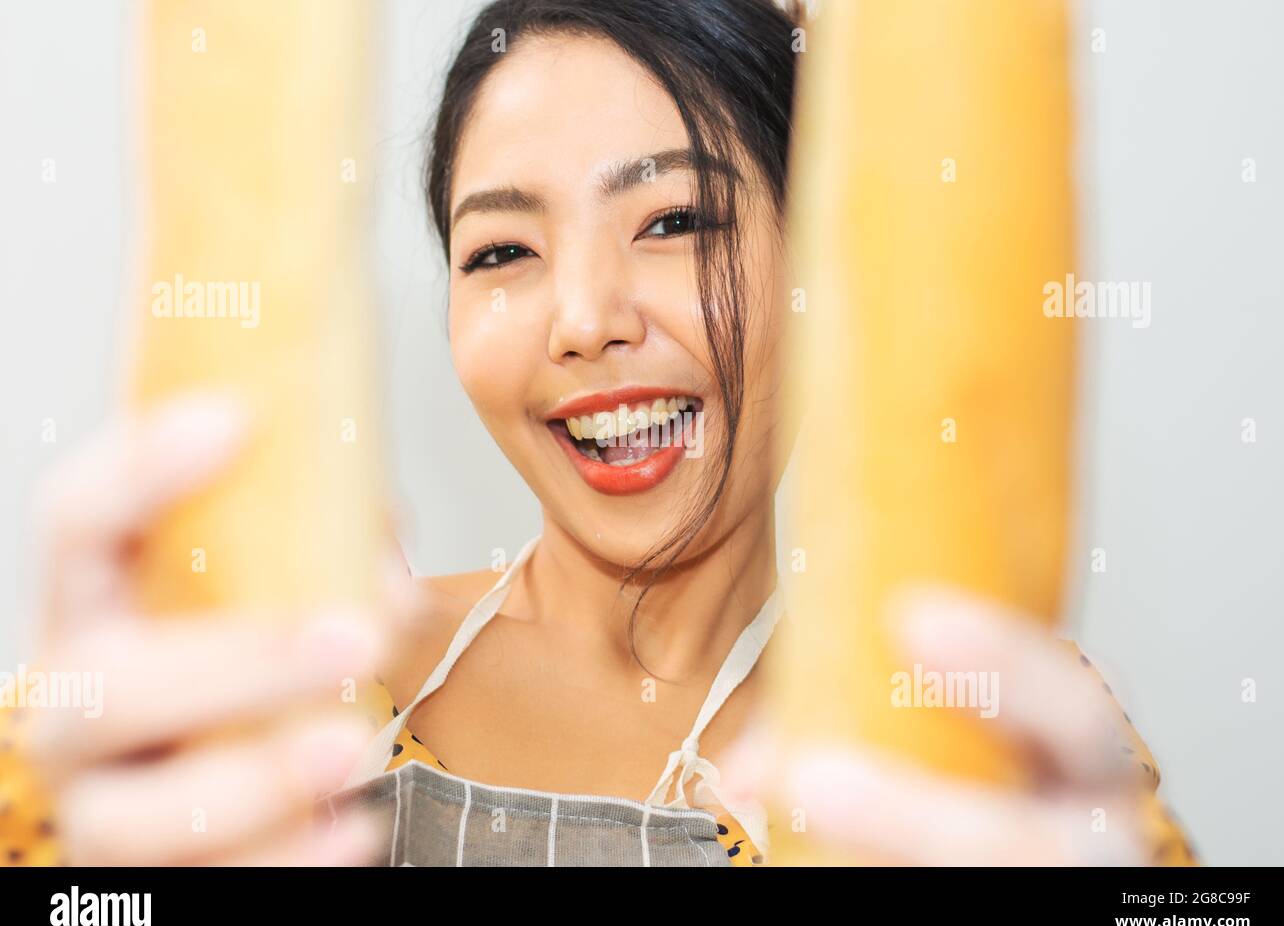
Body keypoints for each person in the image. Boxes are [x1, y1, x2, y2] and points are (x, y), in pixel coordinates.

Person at [1, 0, 1196, 867]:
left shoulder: (1002, 735)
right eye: (503, 251)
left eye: (674, 217)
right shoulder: (250, 694)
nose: (582, 320)